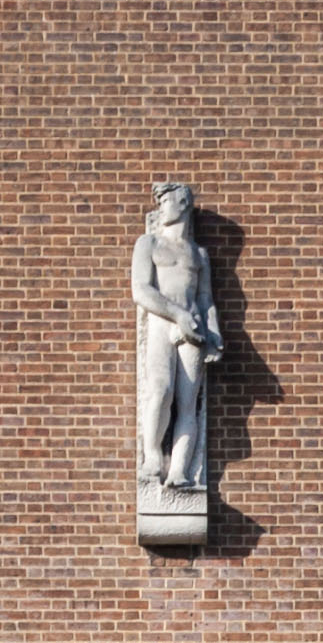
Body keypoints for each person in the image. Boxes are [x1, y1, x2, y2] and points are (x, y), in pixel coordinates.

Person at [131, 182, 222, 490]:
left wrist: (214, 330)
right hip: (162, 322)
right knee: (160, 389)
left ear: (182, 203)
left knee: (188, 401)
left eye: (165, 201)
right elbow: (141, 289)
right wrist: (177, 315)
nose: (160, 208)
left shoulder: (198, 254)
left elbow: (206, 296)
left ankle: (180, 470)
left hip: (193, 328)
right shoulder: (149, 244)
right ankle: (153, 457)